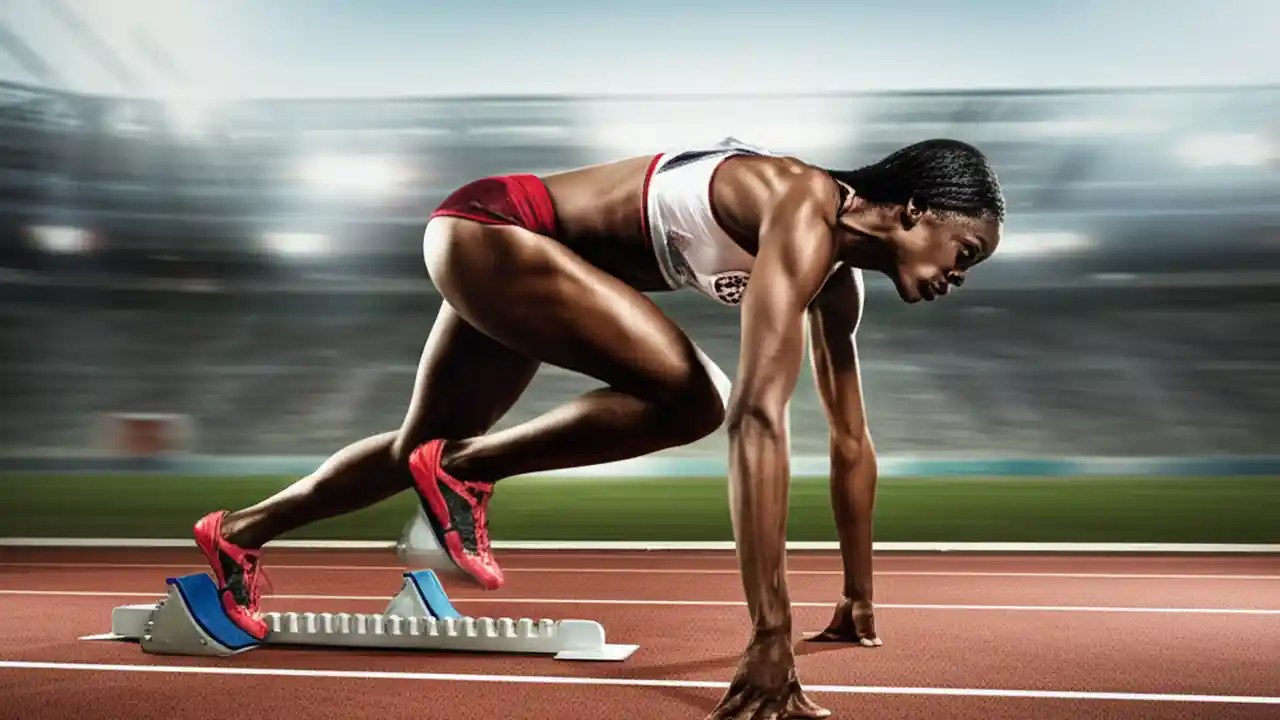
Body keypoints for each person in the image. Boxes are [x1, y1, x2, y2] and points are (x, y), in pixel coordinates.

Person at [192, 136, 1004, 720]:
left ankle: (238, 532)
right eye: (964, 251)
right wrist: (770, 635)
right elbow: (758, 417)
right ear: (916, 210)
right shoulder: (801, 202)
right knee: (697, 400)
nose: (959, 277)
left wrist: (857, 596)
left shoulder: (835, 284)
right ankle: (469, 472)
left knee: (419, 451)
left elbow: (850, 441)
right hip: (497, 232)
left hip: (519, 255)